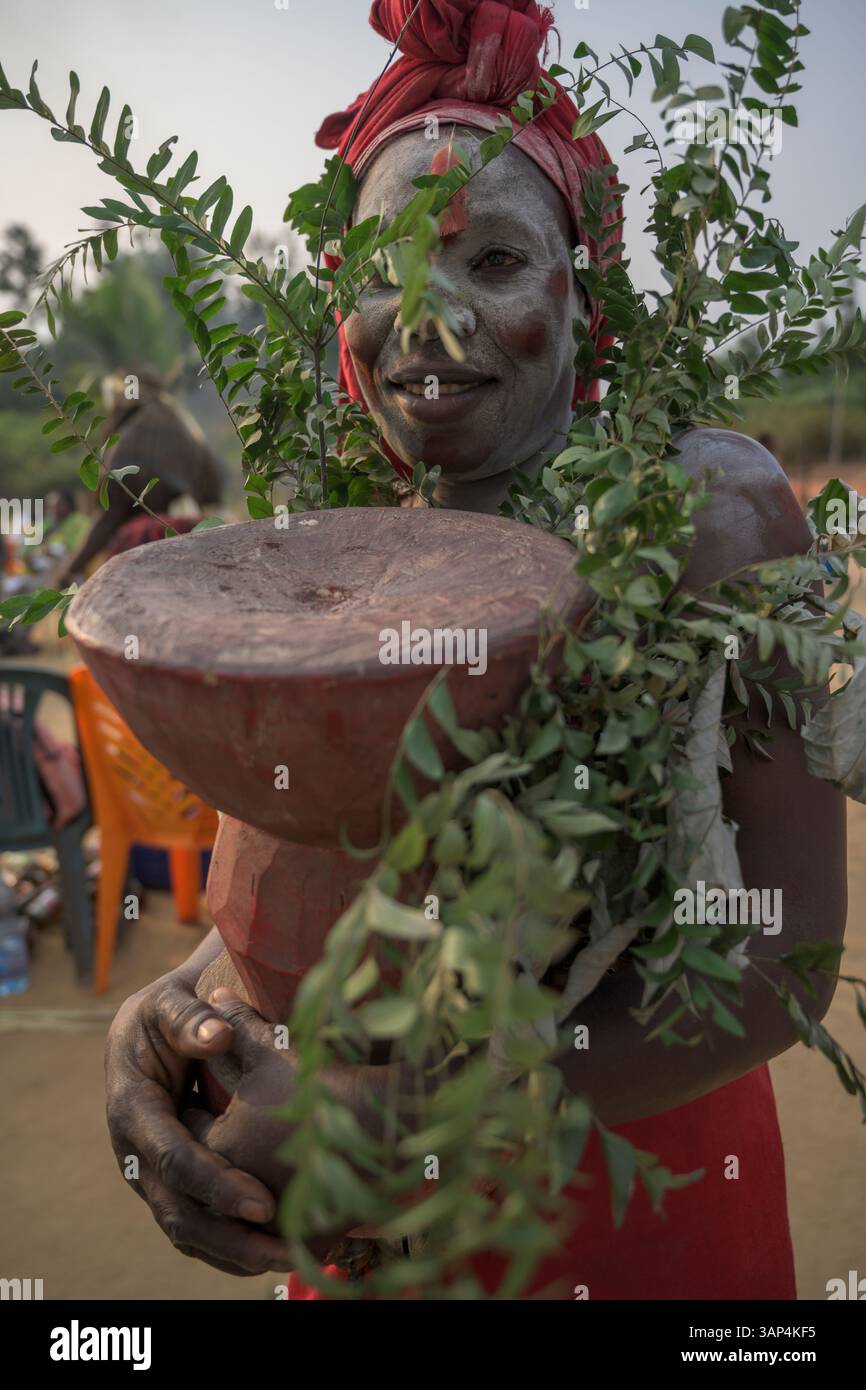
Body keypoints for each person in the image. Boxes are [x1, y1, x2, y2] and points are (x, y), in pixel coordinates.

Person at [102, 0, 846, 1298]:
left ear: (584, 284)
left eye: (491, 260)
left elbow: (776, 957)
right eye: (384, 270)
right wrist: (163, 1022)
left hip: (630, 1212)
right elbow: (280, 893)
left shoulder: (703, 512)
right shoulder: (310, 536)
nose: (427, 317)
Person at [55, 366, 223, 587]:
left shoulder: (135, 432)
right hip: (194, 549)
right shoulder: (181, 421)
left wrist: (68, 572)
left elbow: (110, 515)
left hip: (154, 552)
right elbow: (213, 489)